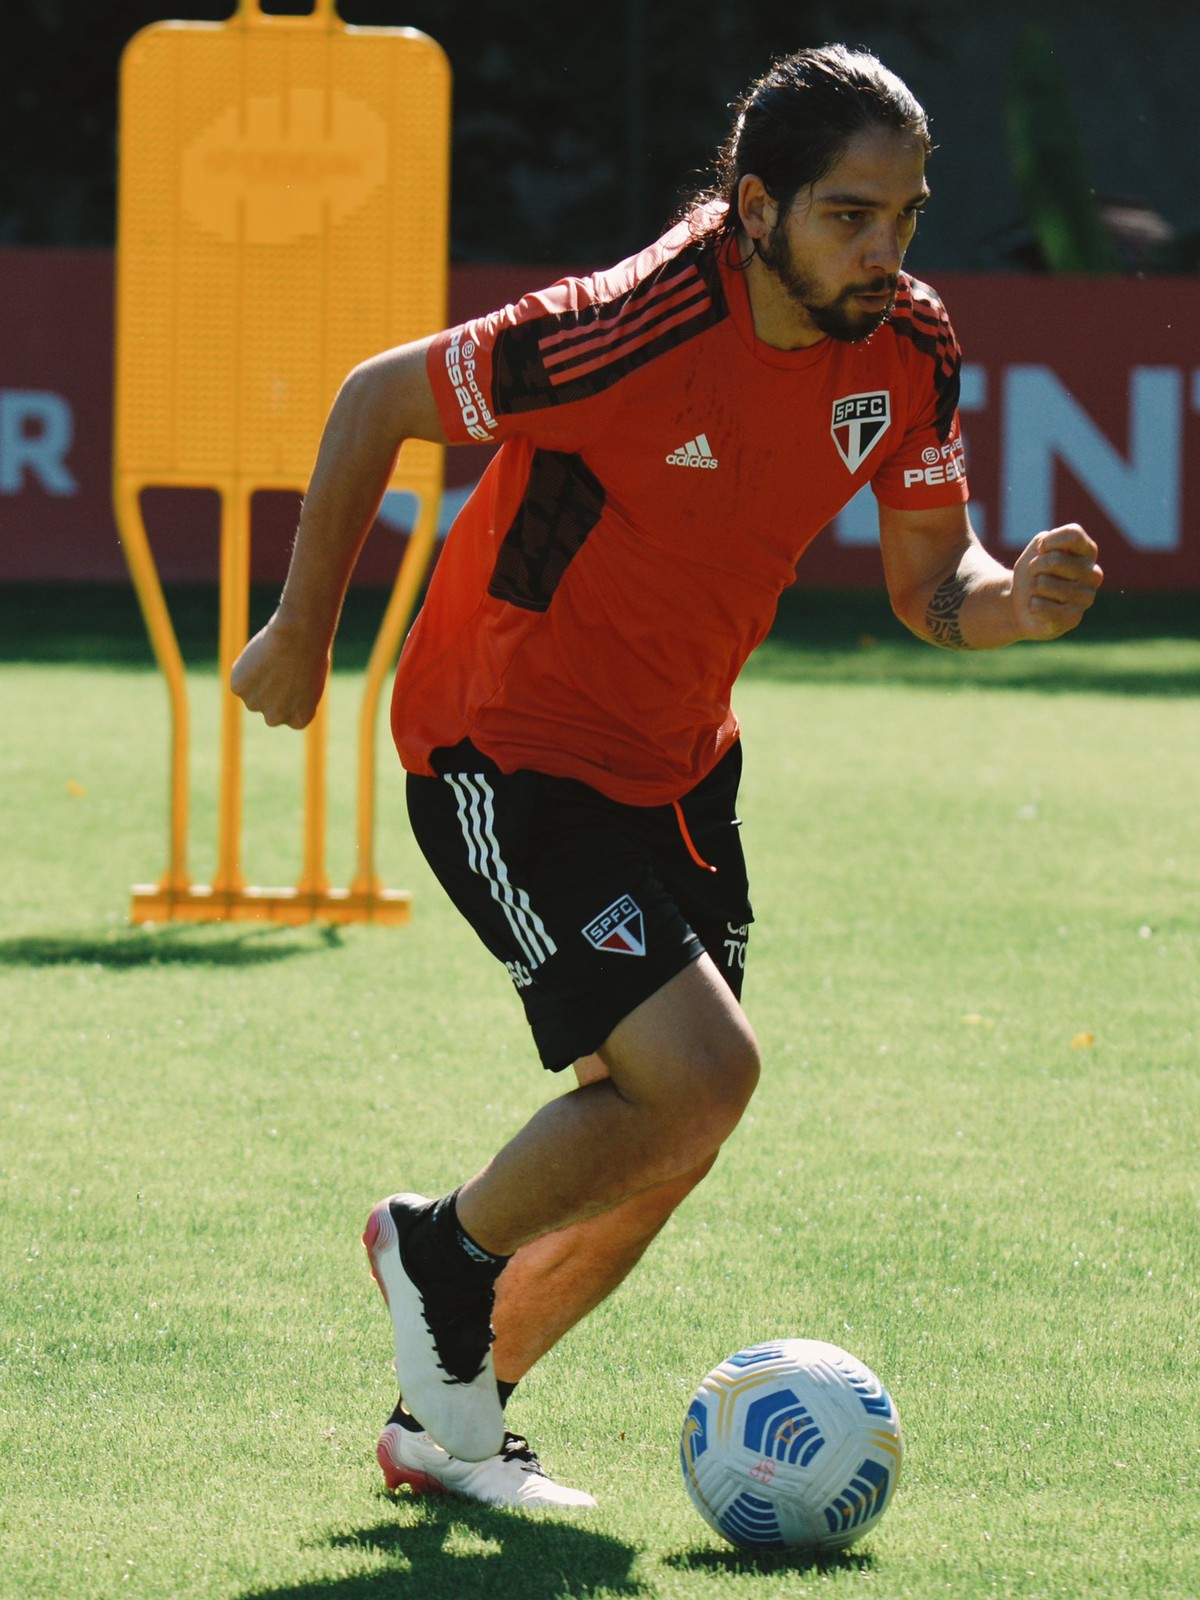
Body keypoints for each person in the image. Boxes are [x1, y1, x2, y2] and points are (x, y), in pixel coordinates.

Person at [232, 43, 1102, 1511]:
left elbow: (929, 579)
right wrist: (299, 633)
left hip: (681, 768)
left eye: (908, 210)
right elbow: (379, 397)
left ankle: (447, 1428)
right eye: (848, 214)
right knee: (703, 1079)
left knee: (667, 1136)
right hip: (500, 745)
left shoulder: (911, 348)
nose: (886, 248)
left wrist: (1017, 597)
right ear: (755, 209)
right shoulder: (625, 325)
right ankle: (434, 1250)